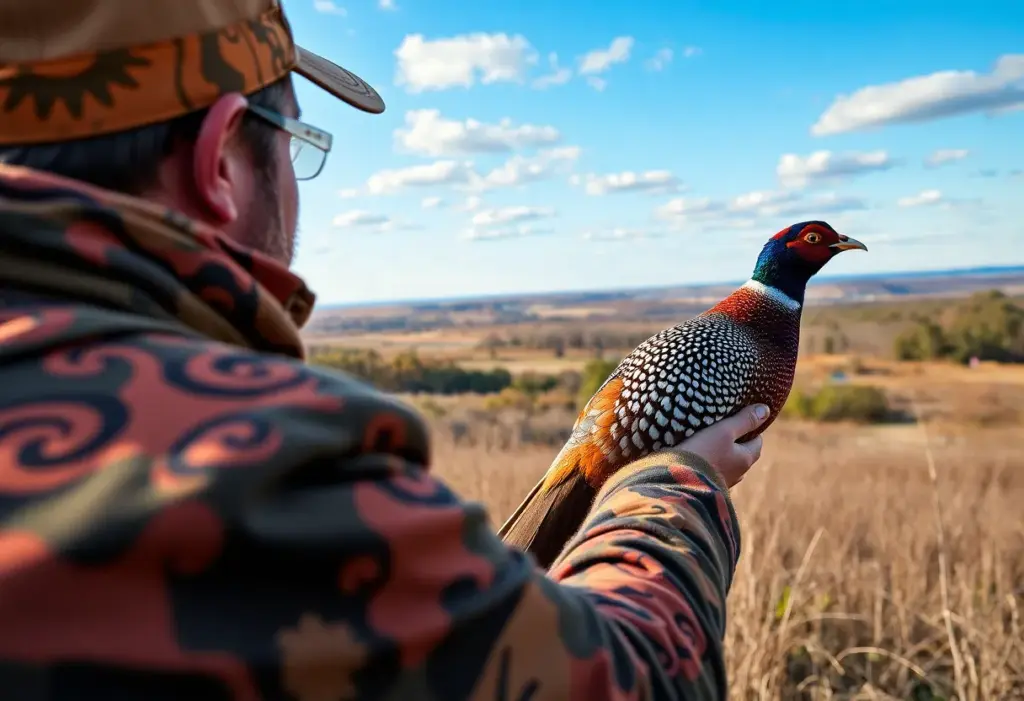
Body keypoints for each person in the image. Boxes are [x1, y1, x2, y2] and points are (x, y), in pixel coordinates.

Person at [0, 1, 769, 698]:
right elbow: (628, 679)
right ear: (222, 158)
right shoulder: (255, 471)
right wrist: (679, 482)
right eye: (296, 142)